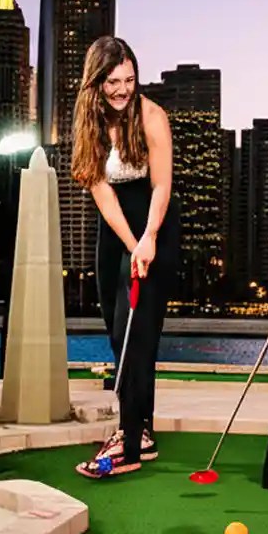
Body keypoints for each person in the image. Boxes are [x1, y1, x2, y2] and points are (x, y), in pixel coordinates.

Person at [69, 36, 181, 479]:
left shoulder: (152, 116)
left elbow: (162, 185)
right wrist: (130, 243)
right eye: (113, 81)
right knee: (118, 334)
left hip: (156, 224)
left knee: (137, 336)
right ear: (96, 82)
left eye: (129, 80)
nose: (122, 90)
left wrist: (148, 238)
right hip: (115, 231)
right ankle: (143, 429)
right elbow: (101, 191)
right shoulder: (89, 120)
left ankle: (128, 443)